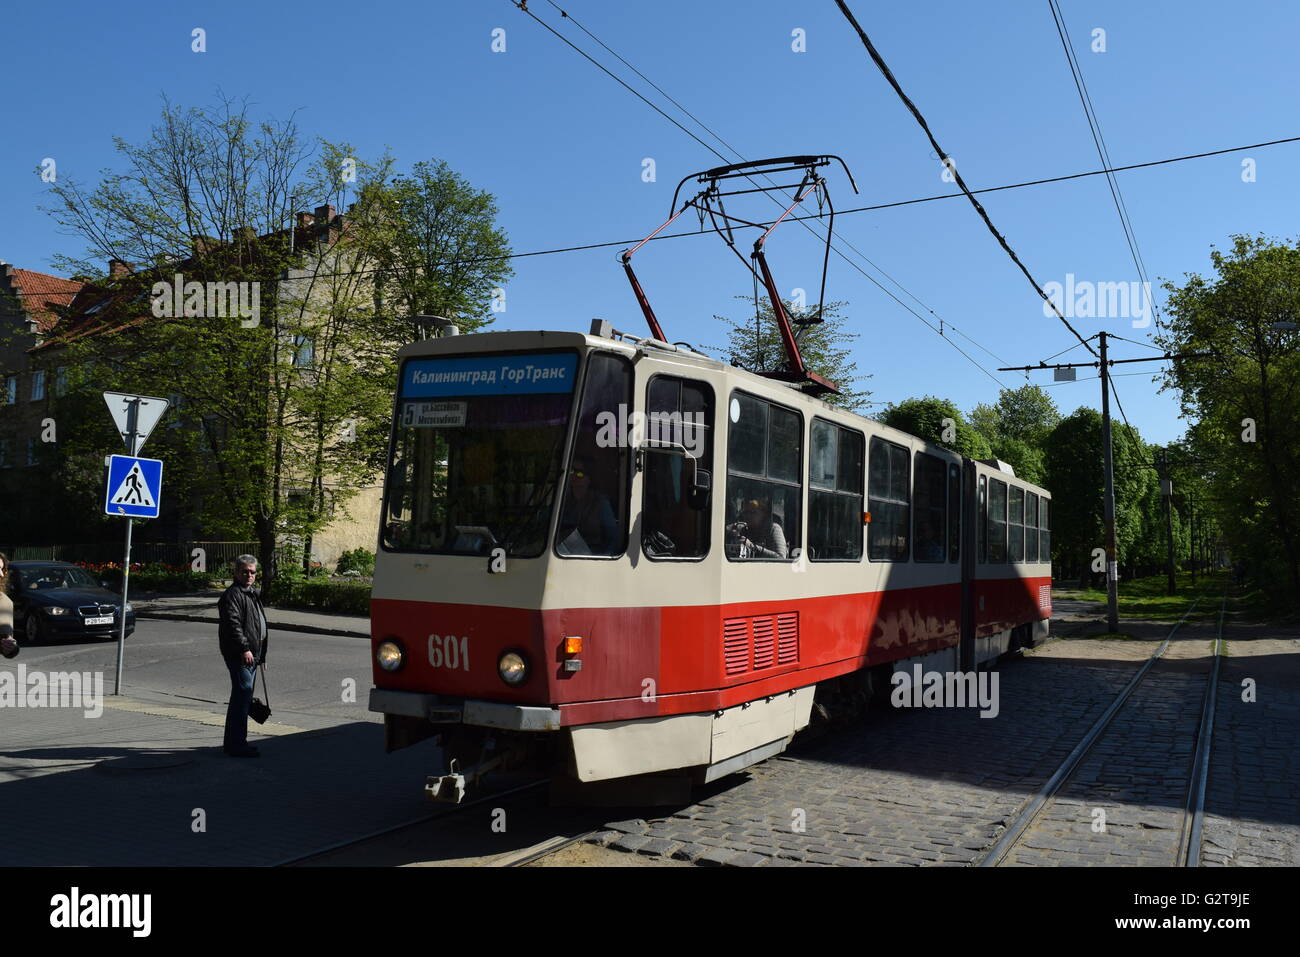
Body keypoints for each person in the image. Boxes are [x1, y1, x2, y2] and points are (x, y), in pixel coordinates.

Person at [218, 555, 268, 757]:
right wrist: (244, 649)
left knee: (242, 698)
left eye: (252, 572)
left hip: (252, 654)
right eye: (245, 571)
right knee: (242, 697)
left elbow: (259, 626)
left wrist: (262, 656)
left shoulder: (252, 593)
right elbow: (233, 626)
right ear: (236, 573)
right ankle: (236, 745)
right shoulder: (233, 595)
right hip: (240, 654)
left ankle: (236, 742)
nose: (249, 575)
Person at [556, 458, 618, 555]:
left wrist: (601, 561)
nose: (574, 476)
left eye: (580, 474)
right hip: (562, 554)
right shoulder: (561, 501)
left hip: (592, 557)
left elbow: (613, 539)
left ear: (589, 479)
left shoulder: (600, 503)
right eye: (571, 471)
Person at [0, 552, 18, 659]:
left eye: (2, 569)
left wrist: (11, 647)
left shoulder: (4, 601)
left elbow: (5, 640)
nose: (1, 575)